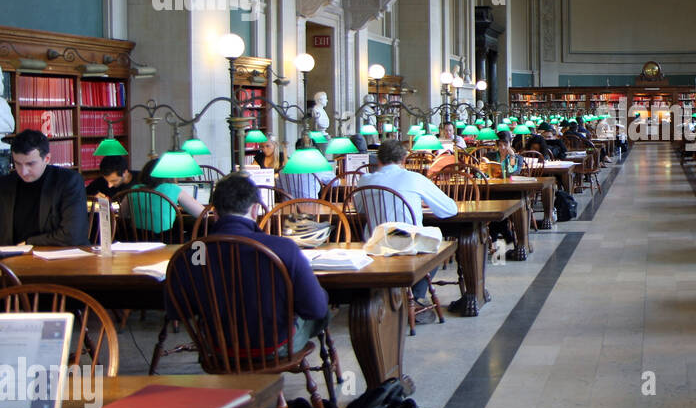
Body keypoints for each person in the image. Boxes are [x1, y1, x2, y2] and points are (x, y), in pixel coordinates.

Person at [166, 173, 329, 358]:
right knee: (320, 306)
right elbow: (315, 309)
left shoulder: (197, 251)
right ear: (254, 210)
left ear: (215, 212)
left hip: (218, 348)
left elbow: (177, 310)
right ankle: (272, 384)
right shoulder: (282, 248)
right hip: (272, 346)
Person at [356, 140, 458, 321]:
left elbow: (360, 208)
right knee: (439, 248)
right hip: (407, 246)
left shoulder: (365, 180)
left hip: (374, 246)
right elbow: (450, 209)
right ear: (404, 158)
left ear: (378, 159)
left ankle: (389, 298)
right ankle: (415, 297)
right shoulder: (414, 178)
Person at [0, 129, 89, 246]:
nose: (23, 171)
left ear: (47, 159)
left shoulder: (68, 181)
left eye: (30, 164)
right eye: (18, 163)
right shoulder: (5, 184)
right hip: (11, 258)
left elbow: (73, 235)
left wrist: (29, 243)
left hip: (58, 256)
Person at [122, 156, 206, 237]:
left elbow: (122, 215)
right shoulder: (172, 188)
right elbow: (203, 213)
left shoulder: (133, 190)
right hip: (165, 240)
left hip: (136, 239)